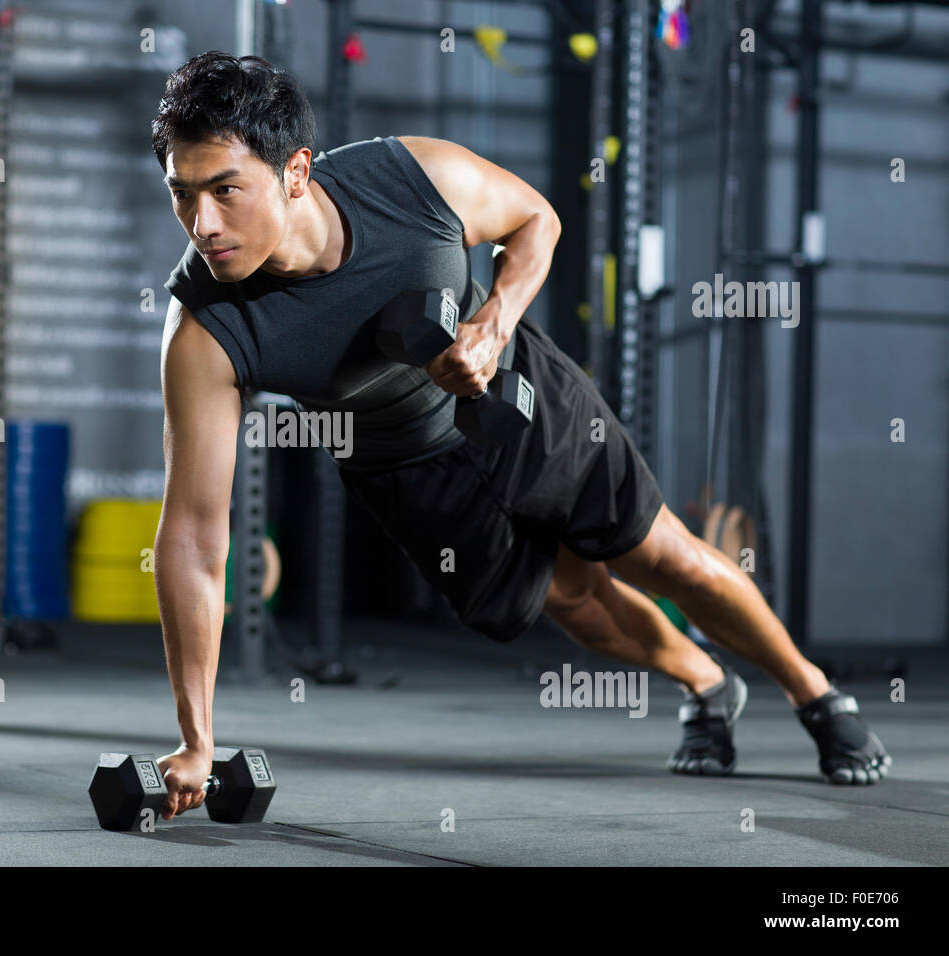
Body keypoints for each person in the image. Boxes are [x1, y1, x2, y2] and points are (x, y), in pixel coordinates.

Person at [150, 51, 890, 820]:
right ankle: (706, 682)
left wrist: (491, 324)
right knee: (577, 601)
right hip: (408, 469)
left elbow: (538, 217)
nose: (202, 224)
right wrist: (197, 738)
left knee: (664, 556)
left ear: (295, 171)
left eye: (225, 190)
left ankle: (816, 695)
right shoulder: (205, 330)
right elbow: (197, 537)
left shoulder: (411, 179)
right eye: (182, 194)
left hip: (517, 395)